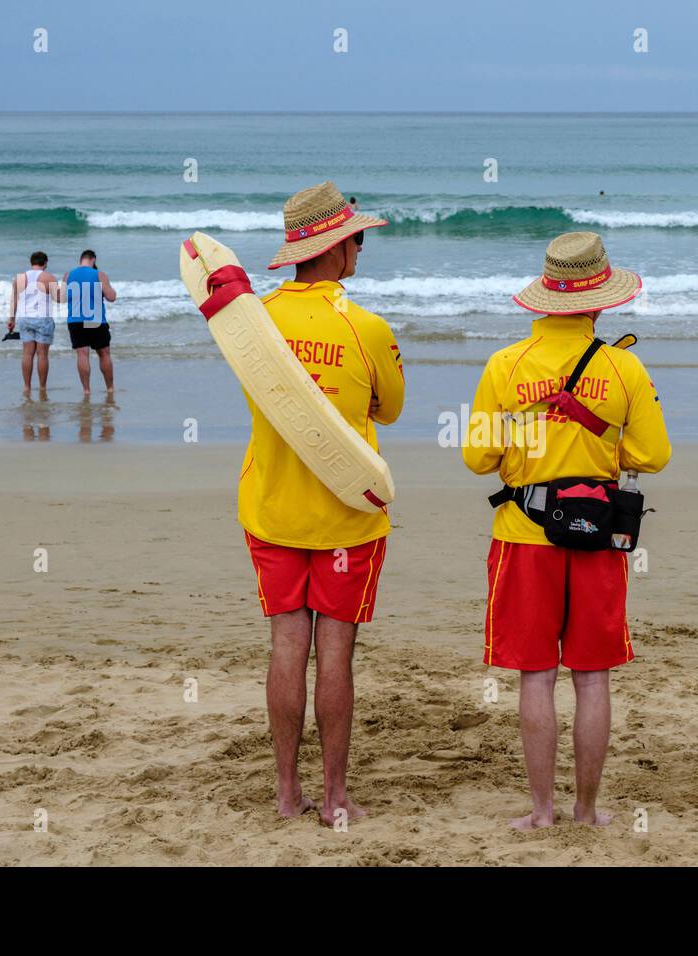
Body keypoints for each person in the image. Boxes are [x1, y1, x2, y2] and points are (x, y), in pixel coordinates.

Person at [463, 231, 671, 830]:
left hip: (524, 536)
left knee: (536, 675)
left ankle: (542, 812)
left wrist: (526, 442)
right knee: (592, 675)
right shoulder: (622, 365)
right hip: (599, 537)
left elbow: (478, 458)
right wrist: (598, 440)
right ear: (600, 301)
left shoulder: (506, 365)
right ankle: (586, 810)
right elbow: (653, 455)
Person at [245, 181, 403, 824]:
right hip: (347, 517)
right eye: (358, 239)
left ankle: (287, 795)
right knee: (333, 654)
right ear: (338, 247)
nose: (362, 250)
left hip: (271, 504)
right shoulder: (365, 328)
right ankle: (335, 797)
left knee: (287, 647)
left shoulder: (253, 323)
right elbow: (388, 409)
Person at [63, 249, 116, 395]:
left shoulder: (68, 275)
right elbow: (111, 297)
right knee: (104, 353)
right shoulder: (99, 274)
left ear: (81, 260)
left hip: (75, 319)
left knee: (82, 354)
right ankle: (110, 389)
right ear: (93, 260)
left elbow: (61, 298)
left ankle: (86, 390)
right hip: (95, 319)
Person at [8, 251, 59, 392]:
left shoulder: (19, 278)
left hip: (24, 318)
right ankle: (42, 387)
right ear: (45, 263)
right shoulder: (48, 278)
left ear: (31, 262)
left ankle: (27, 387)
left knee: (27, 354)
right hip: (43, 318)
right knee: (42, 354)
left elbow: (14, 300)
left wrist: (11, 319)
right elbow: (59, 299)